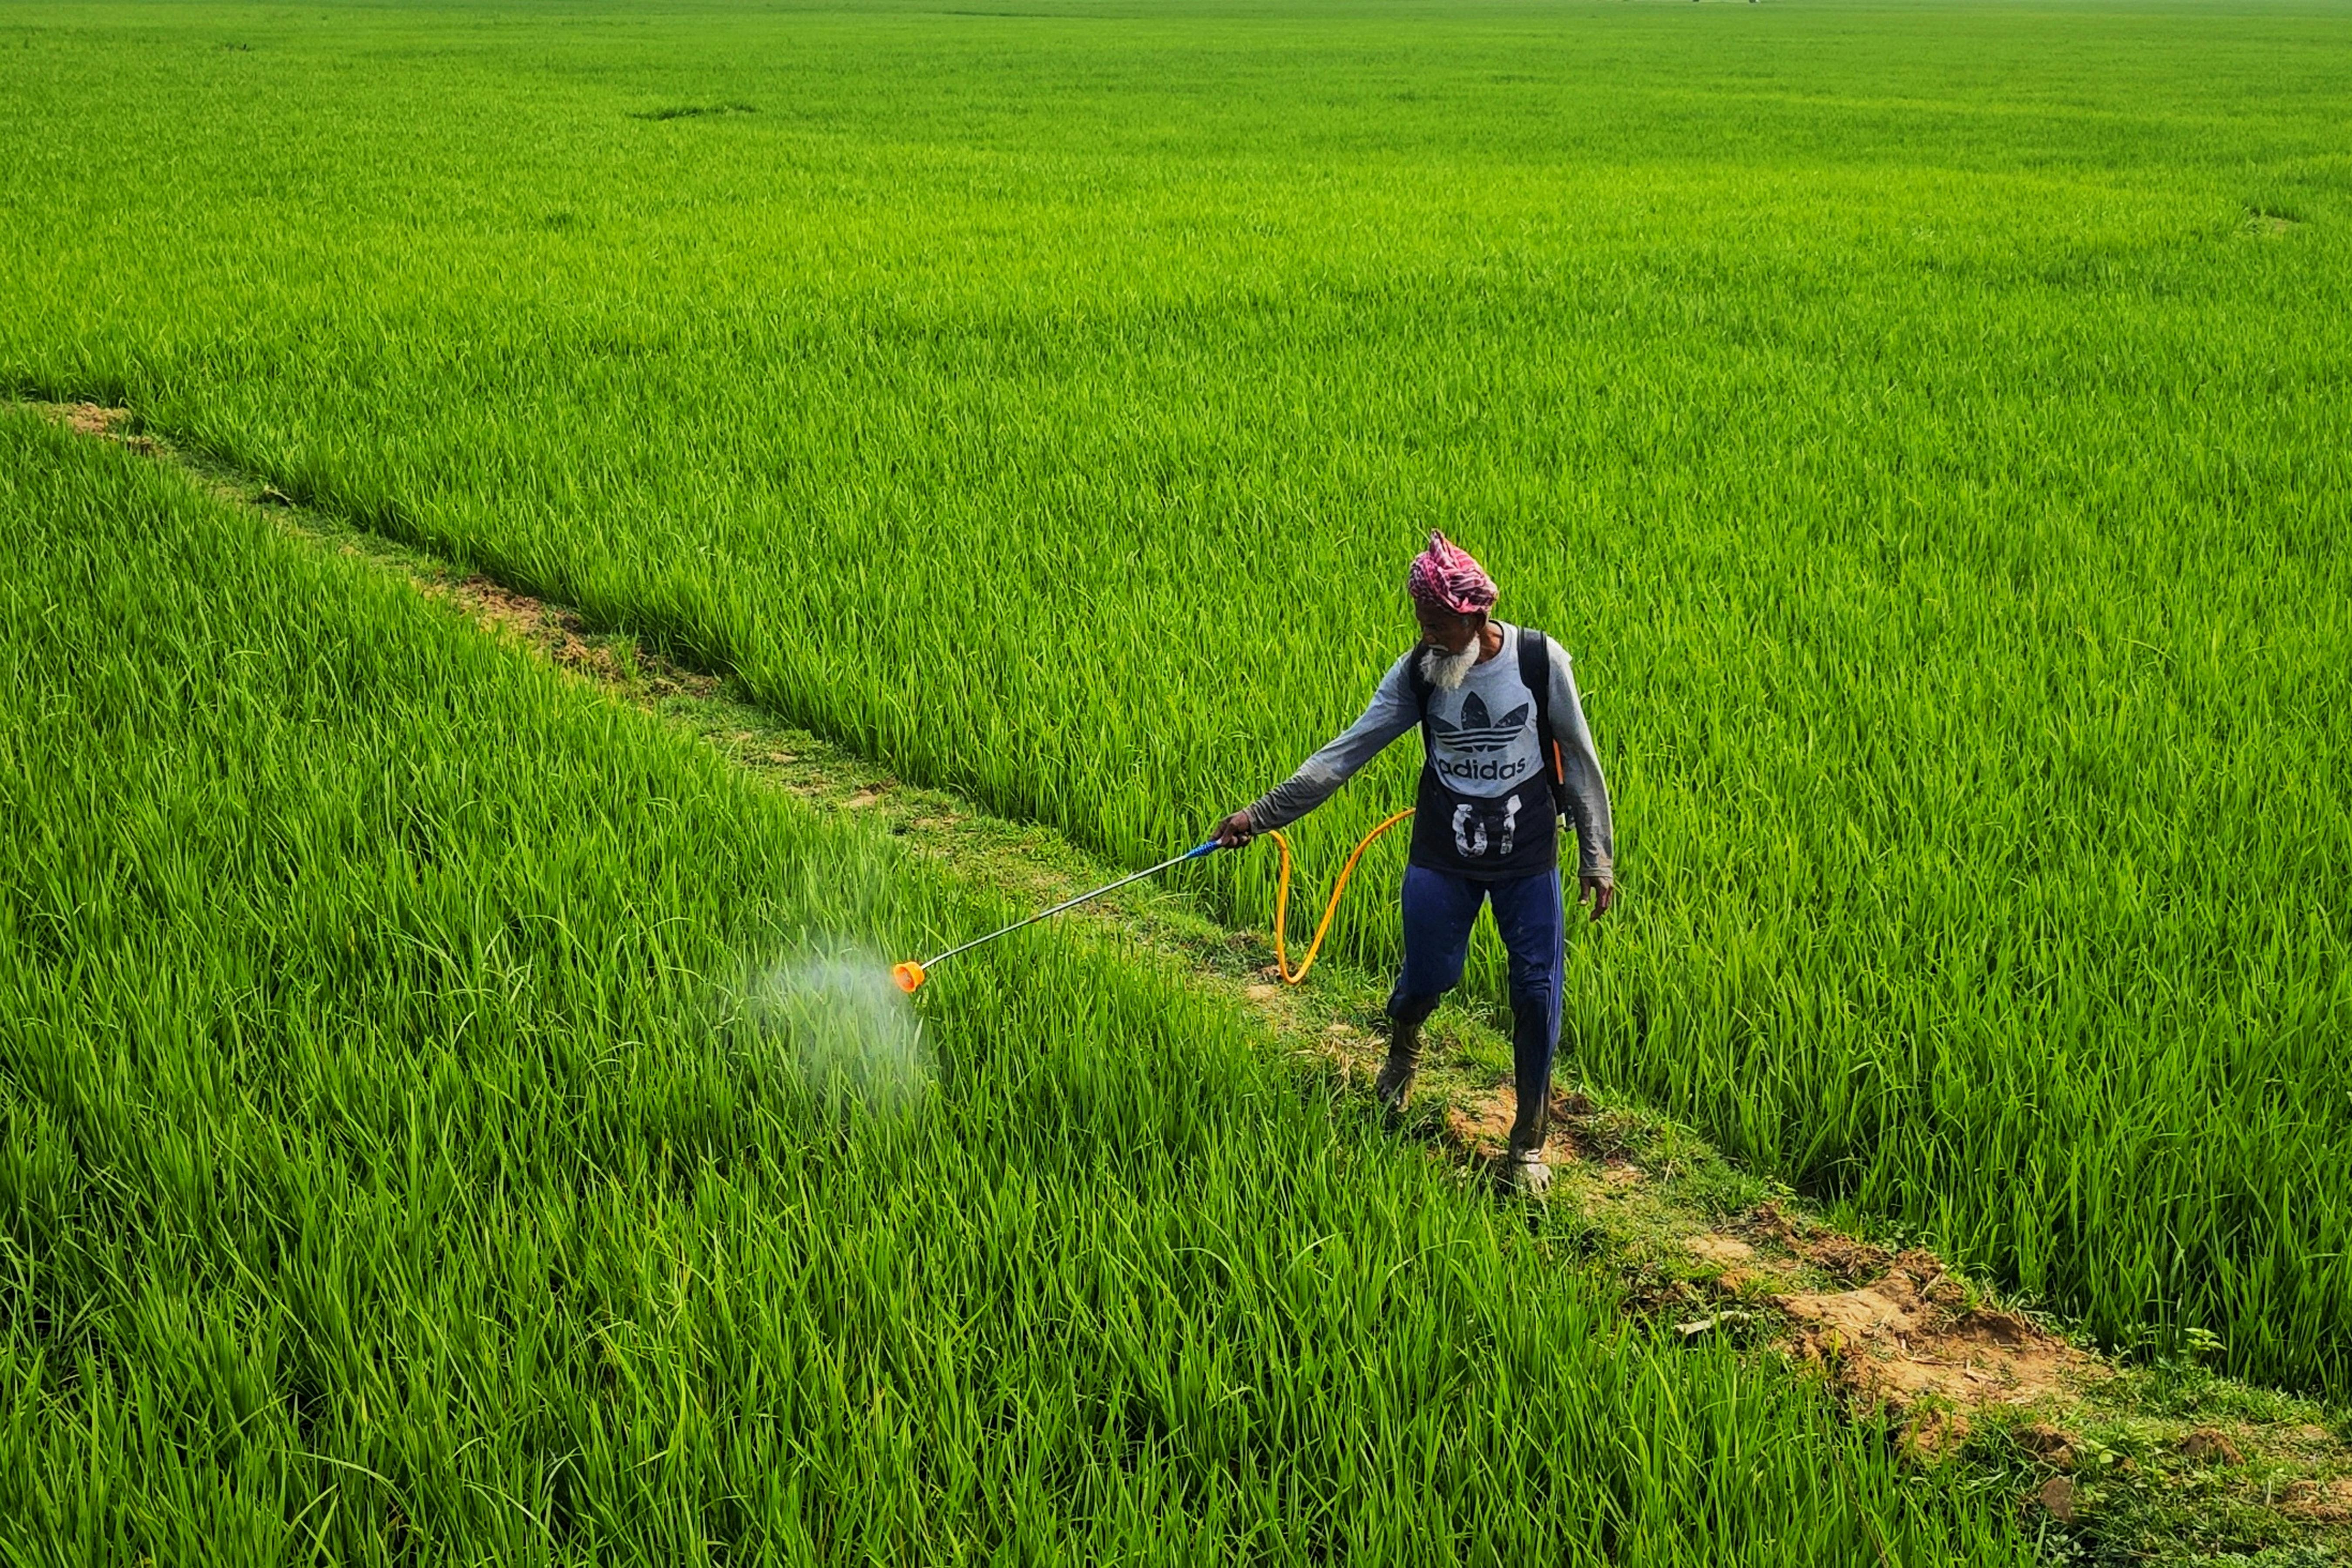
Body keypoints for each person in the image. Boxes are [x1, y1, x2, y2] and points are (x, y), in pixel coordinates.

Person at [1215, 532, 1615, 1194]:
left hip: (1527, 852)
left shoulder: (1542, 663)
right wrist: (1261, 815)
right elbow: (1345, 753)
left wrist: (1596, 857)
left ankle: (1528, 1146)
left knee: (1538, 993)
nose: (1426, 637)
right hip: (1443, 846)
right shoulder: (1418, 673)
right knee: (1429, 975)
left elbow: (1581, 756)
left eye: (1436, 625)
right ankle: (1403, 1049)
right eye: (1420, 623)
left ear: (1475, 618)